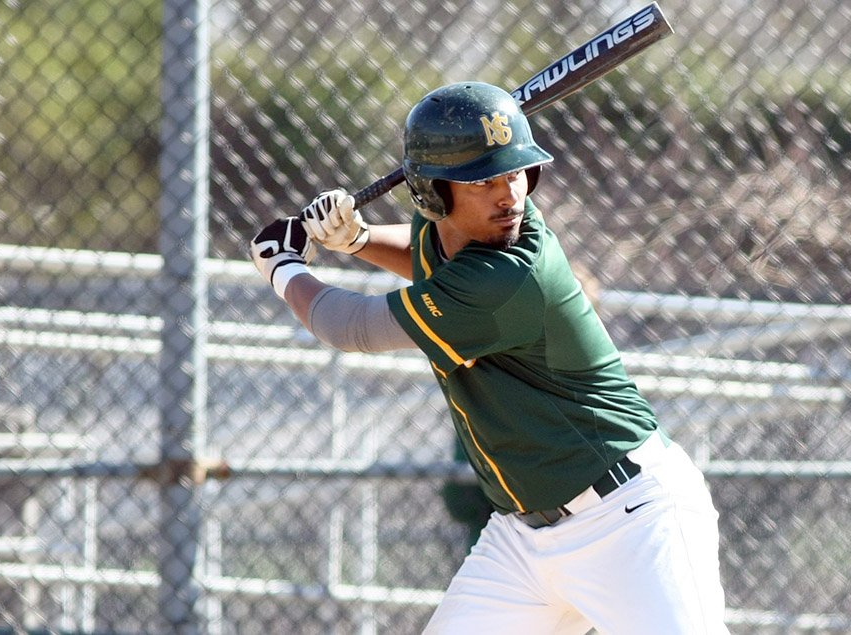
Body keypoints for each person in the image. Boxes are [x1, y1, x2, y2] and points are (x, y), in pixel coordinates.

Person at [249, 81, 731, 634]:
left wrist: (282, 266)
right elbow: (431, 259)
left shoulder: (508, 273)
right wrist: (356, 239)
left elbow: (350, 326)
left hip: (631, 522)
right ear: (433, 195)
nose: (510, 194)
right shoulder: (454, 240)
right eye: (483, 180)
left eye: (516, 172)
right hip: (523, 542)